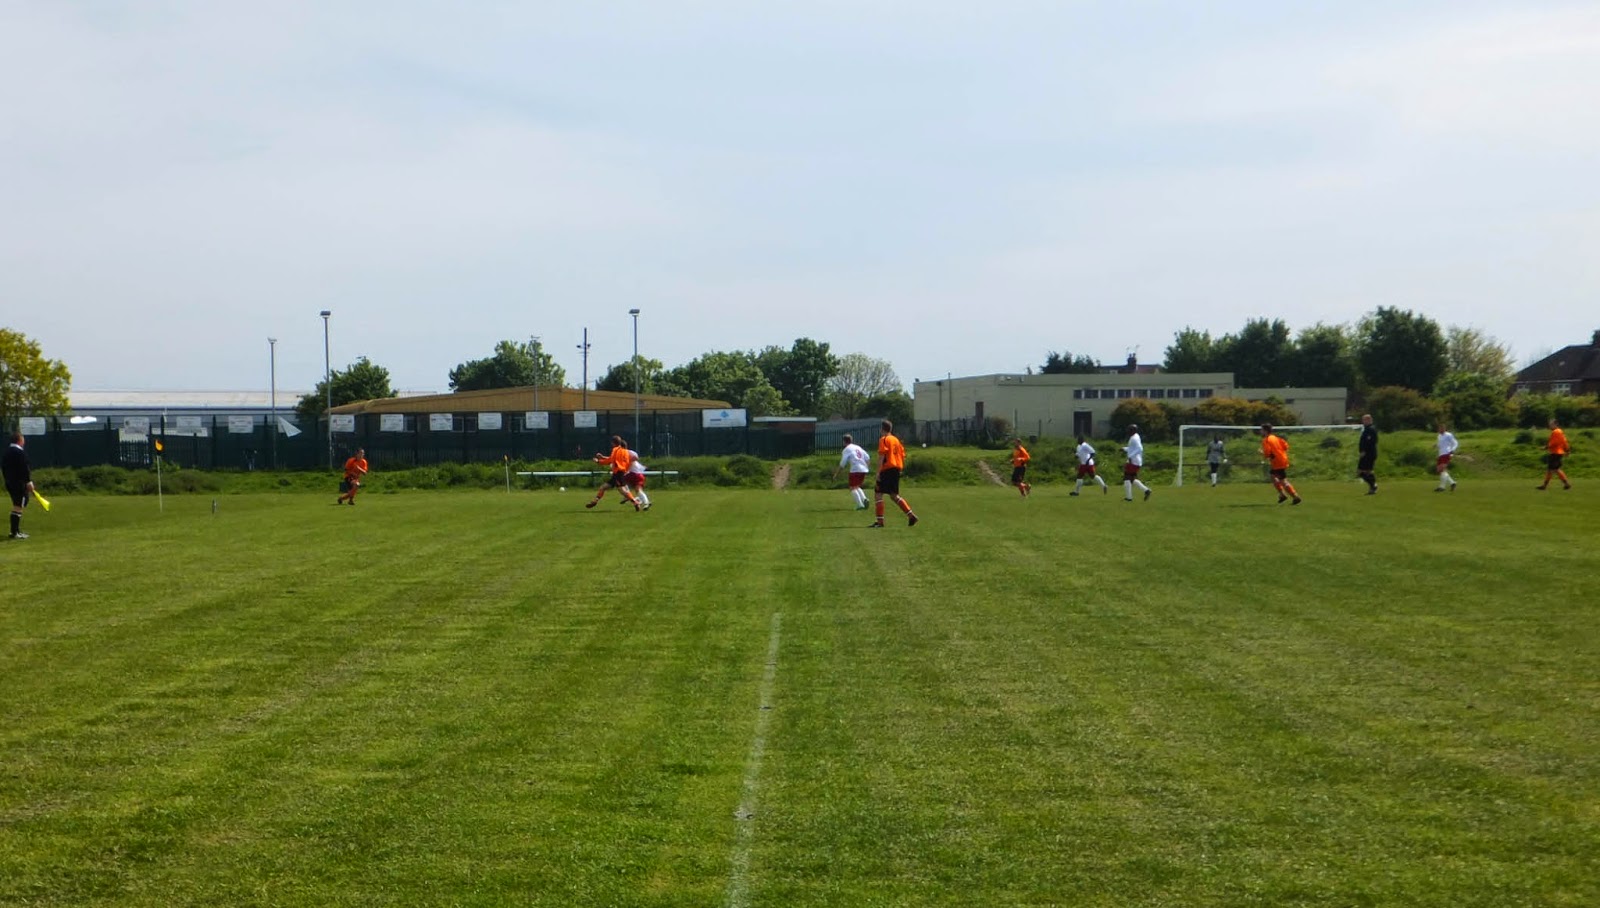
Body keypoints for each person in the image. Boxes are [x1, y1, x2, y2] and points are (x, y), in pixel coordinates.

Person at [871, 419, 919, 527]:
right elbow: (902, 455)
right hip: (896, 469)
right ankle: (911, 516)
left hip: (887, 469)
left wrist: (878, 472)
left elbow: (881, 456)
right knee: (894, 495)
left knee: (878, 494)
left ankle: (880, 522)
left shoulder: (884, 439)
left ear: (882, 429)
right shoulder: (896, 440)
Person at [586, 435, 640, 510]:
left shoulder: (615, 450)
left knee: (623, 491)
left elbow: (610, 461)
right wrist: (602, 457)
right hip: (621, 472)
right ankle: (595, 501)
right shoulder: (625, 451)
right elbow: (614, 459)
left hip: (618, 473)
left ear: (613, 443)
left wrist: (598, 461)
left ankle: (635, 502)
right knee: (603, 487)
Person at [3, 431, 35, 539]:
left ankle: (14, 532)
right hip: (19, 484)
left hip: (10, 483)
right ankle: (14, 532)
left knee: (18, 504)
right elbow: (24, 468)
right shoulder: (20, 452)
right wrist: (28, 481)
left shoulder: (7, 452)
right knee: (18, 506)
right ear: (20, 440)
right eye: (23, 439)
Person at [1259, 424, 1302, 505]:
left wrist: (1262, 453)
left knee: (1283, 480)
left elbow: (1267, 453)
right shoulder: (1276, 438)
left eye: (1261, 430)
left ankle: (1295, 496)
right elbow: (1286, 446)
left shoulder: (1266, 440)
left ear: (1265, 431)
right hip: (1282, 459)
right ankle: (1282, 494)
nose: (1260, 431)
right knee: (1273, 476)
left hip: (1277, 461)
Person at [832, 434, 872, 509]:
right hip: (863, 469)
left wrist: (836, 474)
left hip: (855, 469)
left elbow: (842, 463)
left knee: (852, 487)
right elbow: (867, 457)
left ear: (844, 442)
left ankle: (860, 505)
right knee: (856, 486)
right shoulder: (857, 447)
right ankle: (864, 499)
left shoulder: (846, 449)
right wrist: (867, 467)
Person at [1537, 418, 1572, 490]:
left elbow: (1554, 443)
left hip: (1555, 453)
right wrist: (1567, 450)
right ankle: (1545, 485)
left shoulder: (1555, 432)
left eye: (1551, 424)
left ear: (1556, 424)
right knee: (1554, 469)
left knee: (1553, 469)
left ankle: (1566, 484)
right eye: (1549, 424)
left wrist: (1545, 447)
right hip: (1558, 453)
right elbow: (1564, 441)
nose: (1550, 426)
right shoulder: (1560, 432)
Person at [1121, 424, 1152, 502]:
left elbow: (1140, 448)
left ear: (1133, 431)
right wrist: (1124, 449)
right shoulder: (1136, 436)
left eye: (1130, 430)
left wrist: (1130, 456)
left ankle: (1129, 498)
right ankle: (1146, 490)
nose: (1128, 431)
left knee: (1127, 478)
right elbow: (1132, 448)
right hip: (1136, 461)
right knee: (1132, 479)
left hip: (1133, 462)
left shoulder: (1134, 438)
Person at [1357, 414, 1378, 494]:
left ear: (1369, 420)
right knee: (1367, 472)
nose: (1363, 421)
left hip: (1368, 454)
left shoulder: (1371, 429)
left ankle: (1373, 485)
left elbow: (1371, 442)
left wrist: (1364, 451)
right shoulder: (1366, 429)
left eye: (1365, 420)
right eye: (1363, 420)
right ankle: (1373, 487)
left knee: (1361, 472)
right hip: (1366, 454)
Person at [1435, 424, 1459, 492]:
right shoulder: (1439, 436)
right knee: (1439, 470)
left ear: (1444, 429)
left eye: (1440, 428)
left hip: (1446, 453)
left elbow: (1455, 443)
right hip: (1441, 454)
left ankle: (1442, 487)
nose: (1439, 430)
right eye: (1439, 428)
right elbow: (1440, 444)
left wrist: (1452, 451)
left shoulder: (1448, 435)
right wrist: (1436, 445)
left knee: (1443, 469)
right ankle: (1453, 483)